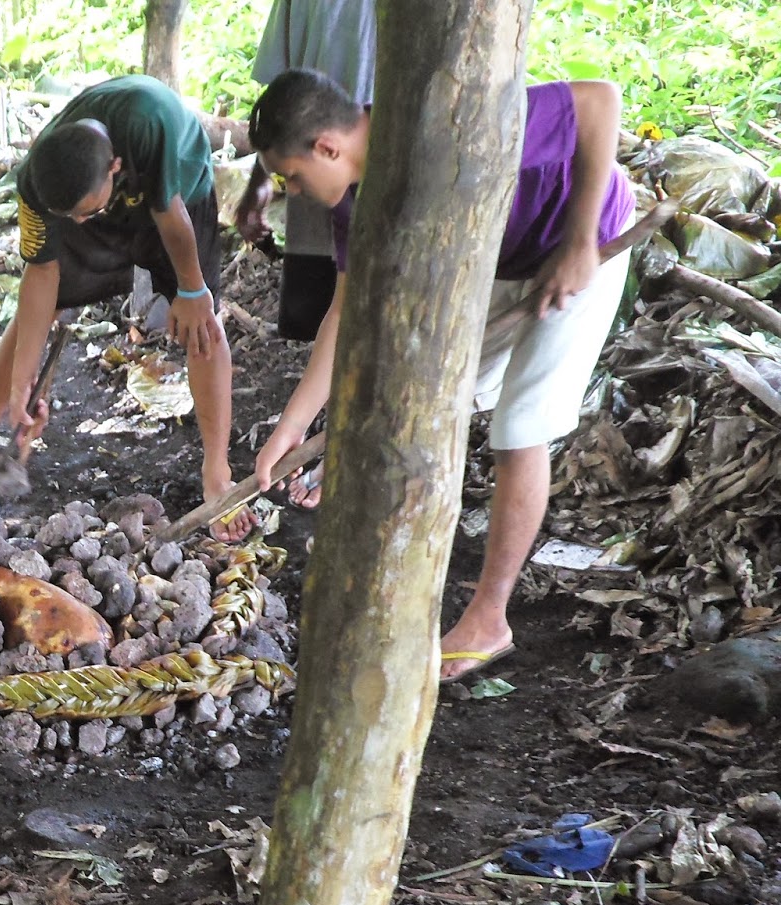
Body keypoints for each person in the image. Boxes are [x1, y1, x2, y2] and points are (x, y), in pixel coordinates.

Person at [247, 69, 633, 680]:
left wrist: (581, 242)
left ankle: (490, 617)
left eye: (291, 175)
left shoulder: (444, 124)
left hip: (584, 244)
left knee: (519, 428)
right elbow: (346, 312)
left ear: (327, 146)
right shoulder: (353, 193)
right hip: (495, 265)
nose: (292, 190)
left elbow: (598, 101)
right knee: (414, 395)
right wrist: (295, 423)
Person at [0, 74, 250, 541]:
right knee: (35, 311)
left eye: (84, 214)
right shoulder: (40, 183)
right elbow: (42, 276)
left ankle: (217, 473)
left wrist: (192, 293)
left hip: (180, 199)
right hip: (97, 195)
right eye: (72, 217)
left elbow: (171, 217)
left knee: (202, 328)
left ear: (115, 167)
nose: (79, 224)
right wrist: (23, 382)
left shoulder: (147, 124)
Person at [234, 0, 377, 343]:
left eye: (290, 182)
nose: (290, 189)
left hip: (350, 154)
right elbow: (277, 94)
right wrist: (262, 177)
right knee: (321, 309)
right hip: (311, 155)